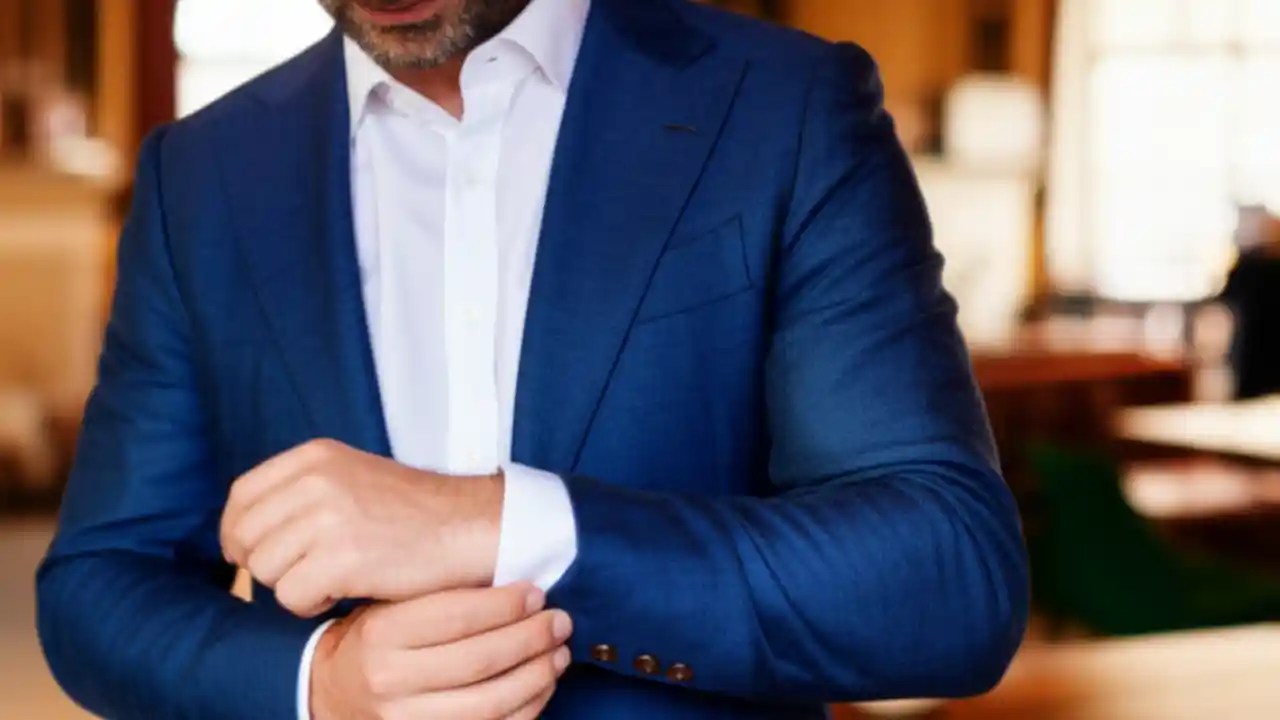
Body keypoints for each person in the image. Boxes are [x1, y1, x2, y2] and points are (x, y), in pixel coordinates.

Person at [37, 0, 1029, 717]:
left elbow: (944, 580)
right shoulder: (202, 173)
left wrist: (499, 524)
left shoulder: (786, 109)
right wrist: (318, 682)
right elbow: (97, 584)